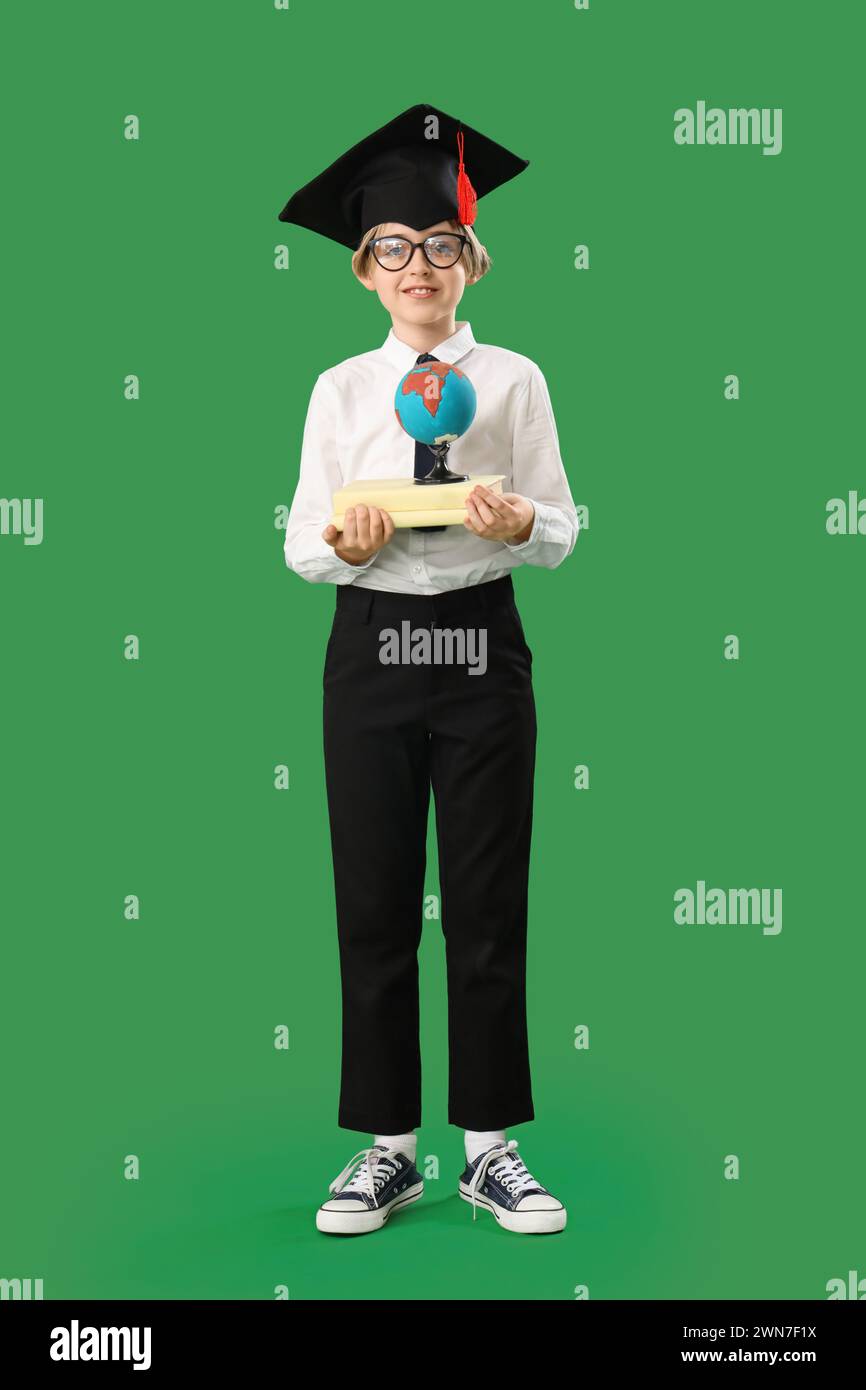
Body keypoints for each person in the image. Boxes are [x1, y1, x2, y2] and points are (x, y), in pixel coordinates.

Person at [278, 104, 579, 1236]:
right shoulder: (338, 392)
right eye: (394, 249)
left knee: (489, 901)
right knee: (373, 898)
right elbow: (302, 539)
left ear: (471, 260)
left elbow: (560, 527)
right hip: (373, 647)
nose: (419, 265)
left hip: (478, 643)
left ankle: (491, 1146)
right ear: (364, 270)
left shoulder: (511, 380)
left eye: (439, 245)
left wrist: (510, 526)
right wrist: (343, 547)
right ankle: (387, 1148)